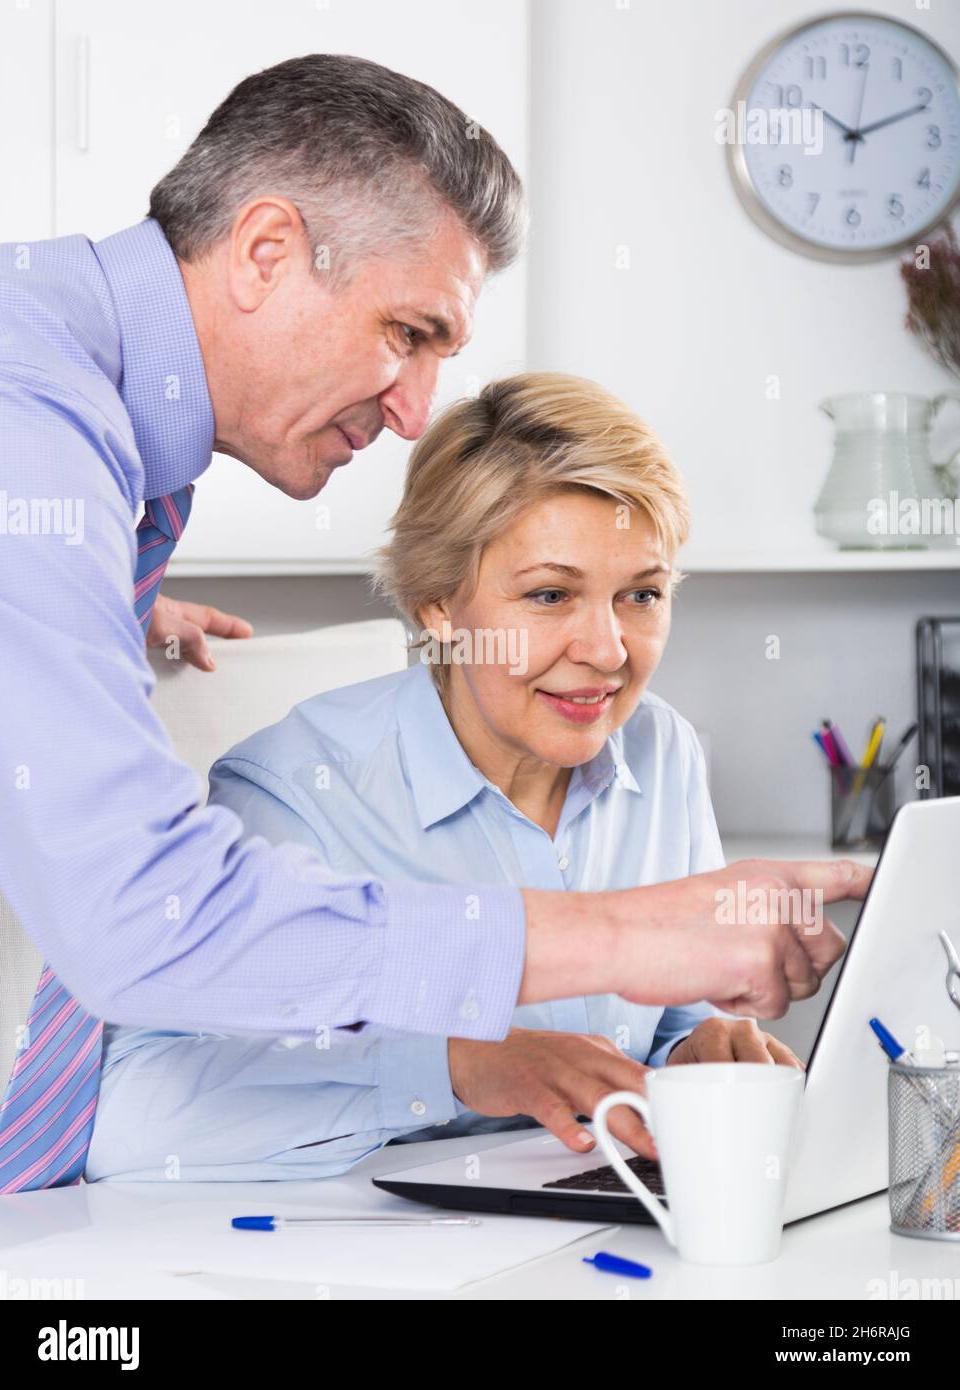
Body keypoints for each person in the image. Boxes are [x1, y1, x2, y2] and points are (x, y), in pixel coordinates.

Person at [0, 55, 864, 1196]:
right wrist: (620, 937)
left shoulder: (71, 453)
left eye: (642, 592)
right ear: (265, 251)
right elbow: (137, 919)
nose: (413, 417)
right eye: (407, 332)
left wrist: (85, 601)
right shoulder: (25, 412)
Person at [87, 374, 805, 1182]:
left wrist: (700, 1052)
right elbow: (131, 1115)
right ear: (437, 605)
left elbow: (671, 1024)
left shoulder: (660, 749)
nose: (607, 651)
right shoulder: (299, 793)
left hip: (592, 1226)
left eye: (642, 594)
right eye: (550, 595)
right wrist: (453, 1067)